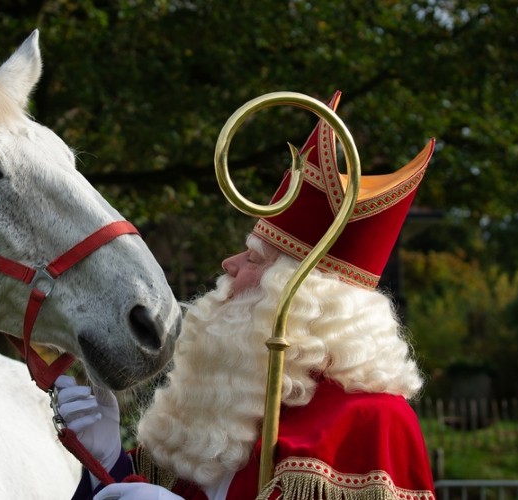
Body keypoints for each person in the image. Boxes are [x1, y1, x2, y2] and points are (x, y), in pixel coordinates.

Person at [55, 91, 437, 500]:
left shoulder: (375, 421)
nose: (229, 264)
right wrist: (108, 461)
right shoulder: (224, 407)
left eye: (254, 257)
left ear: (300, 296)